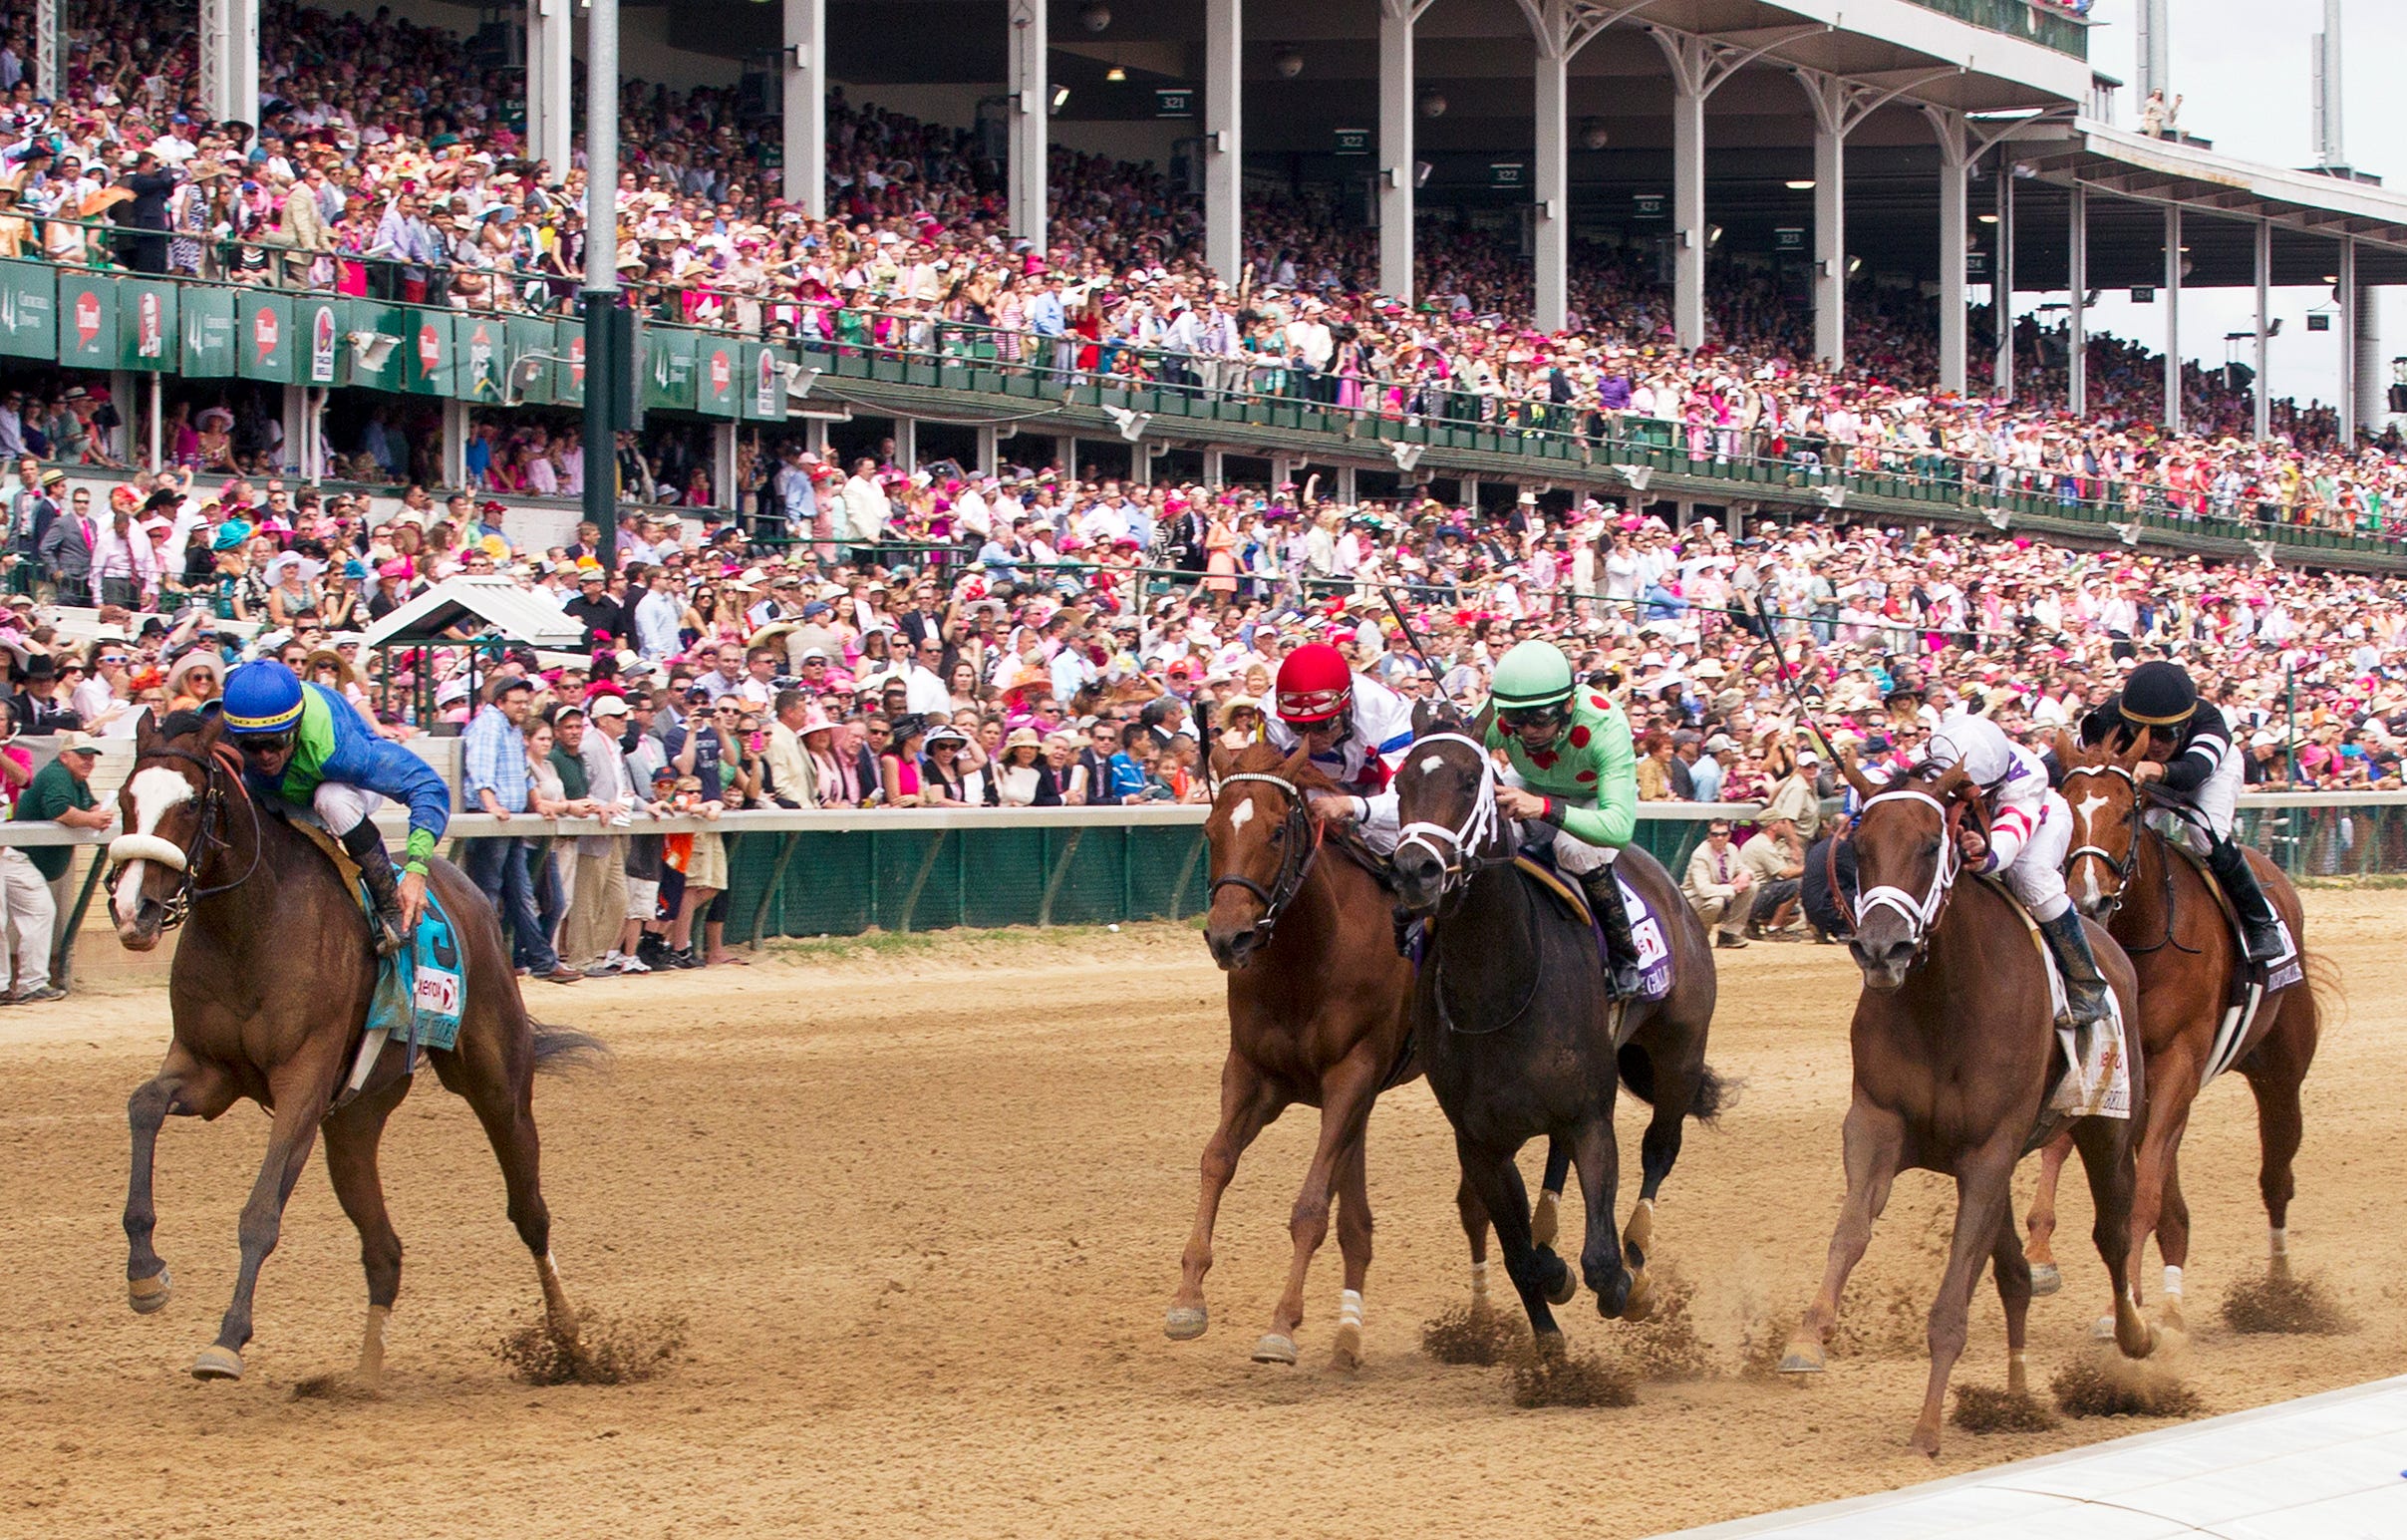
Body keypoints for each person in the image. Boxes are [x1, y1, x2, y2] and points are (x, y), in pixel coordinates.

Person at [215, 660, 451, 958]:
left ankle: (388, 905)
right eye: (250, 745)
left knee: (331, 798)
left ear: (297, 727)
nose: (264, 756)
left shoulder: (343, 750)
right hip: (277, 793)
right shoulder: (224, 731)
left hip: (340, 786)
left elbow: (428, 786)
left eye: (276, 741)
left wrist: (417, 870)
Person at [2078, 659, 2283, 964]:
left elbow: (2193, 771)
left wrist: (2155, 768)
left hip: (2206, 775)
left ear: (2186, 724)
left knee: (2204, 836)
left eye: (2168, 732)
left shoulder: (2209, 722)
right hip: (2143, 777)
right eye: (2142, 731)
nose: (2156, 742)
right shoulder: (2104, 720)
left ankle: (2260, 922)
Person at [1922, 712, 2107, 1037]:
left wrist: (1986, 852)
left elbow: (2014, 829)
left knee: (2030, 877)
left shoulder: (2028, 774)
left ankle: (2087, 986)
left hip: (2040, 822)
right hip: (1974, 823)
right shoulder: (1935, 754)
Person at [1481, 639, 1645, 996]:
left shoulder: (1605, 726)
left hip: (1592, 794)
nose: (1527, 730)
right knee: (1485, 832)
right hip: (1530, 780)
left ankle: (1623, 956)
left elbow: (1617, 829)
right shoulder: (1499, 713)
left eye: (1540, 717)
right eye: (1515, 720)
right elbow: (1461, 748)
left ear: (1569, 705)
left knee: (1576, 850)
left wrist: (1543, 808)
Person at [1270, 641, 1415, 856]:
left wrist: (1350, 805)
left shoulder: (1388, 712)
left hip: (1378, 785)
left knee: (1388, 838)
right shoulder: (1271, 718)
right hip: (1315, 784)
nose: (1311, 738)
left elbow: (1406, 805)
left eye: (1323, 724)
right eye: (1298, 726)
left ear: (1347, 708)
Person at [6, 730, 112, 1001]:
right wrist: (91, 820)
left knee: (33, 915)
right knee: (39, 913)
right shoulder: (57, 775)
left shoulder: (74, 779)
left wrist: (96, 811)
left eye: (91, 756)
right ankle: (31, 983)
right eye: (82, 756)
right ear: (64, 757)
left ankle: (24, 983)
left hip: (21, 858)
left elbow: (88, 804)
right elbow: (59, 810)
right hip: (15, 856)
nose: (88, 762)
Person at [1681, 818, 1753, 948]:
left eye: (1724, 834)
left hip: (1722, 896)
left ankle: (1729, 934)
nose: (1719, 838)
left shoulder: (1731, 849)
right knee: (1716, 901)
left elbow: (1742, 868)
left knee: (1752, 887)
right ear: (1709, 836)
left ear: (1729, 835)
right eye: (1715, 834)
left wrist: (1745, 874)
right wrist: (1733, 888)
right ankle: (1698, 938)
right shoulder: (1700, 855)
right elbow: (1704, 890)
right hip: (1694, 902)